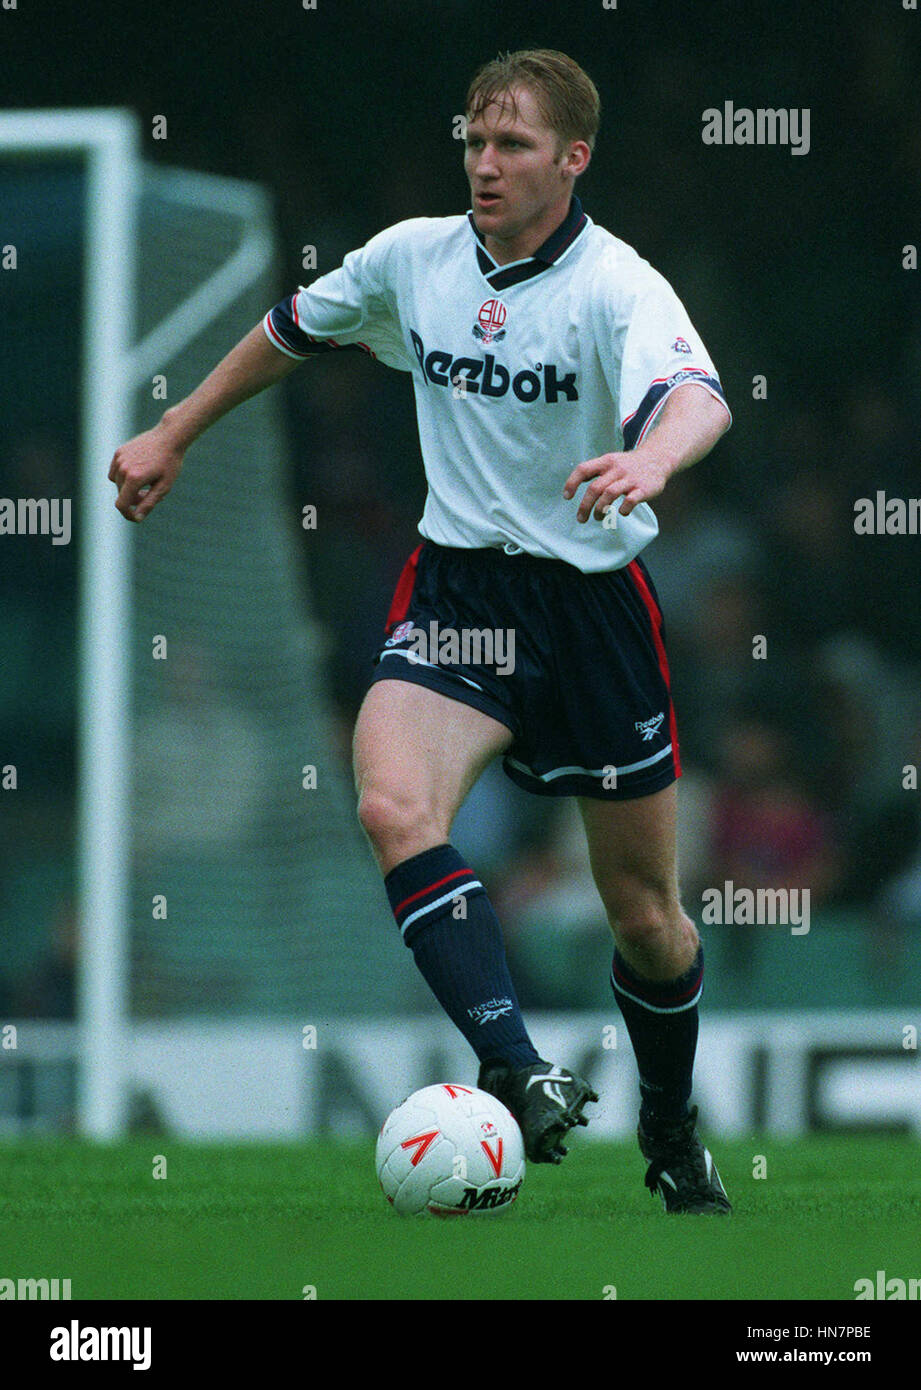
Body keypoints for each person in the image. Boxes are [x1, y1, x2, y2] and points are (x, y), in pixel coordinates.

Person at [110, 49, 732, 1213]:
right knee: (393, 806)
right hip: (459, 593)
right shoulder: (415, 258)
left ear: (574, 158)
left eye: (513, 146)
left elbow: (698, 395)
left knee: (646, 918)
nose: (484, 165)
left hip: (592, 613)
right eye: (474, 142)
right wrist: (175, 431)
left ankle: (669, 1126)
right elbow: (294, 326)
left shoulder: (619, 285)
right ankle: (513, 1059)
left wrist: (649, 456)